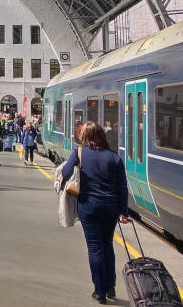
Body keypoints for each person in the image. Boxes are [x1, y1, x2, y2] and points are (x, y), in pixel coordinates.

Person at [59, 122, 129, 304]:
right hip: (110, 207)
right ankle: (111, 286)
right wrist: (124, 212)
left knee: (95, 247)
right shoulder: (114, 157)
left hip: (89, 206)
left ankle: (99, 291)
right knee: (107, 244)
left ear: (85, 137)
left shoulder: (79, 152)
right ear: (102, 136)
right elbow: (122, 187)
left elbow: (65, 172)